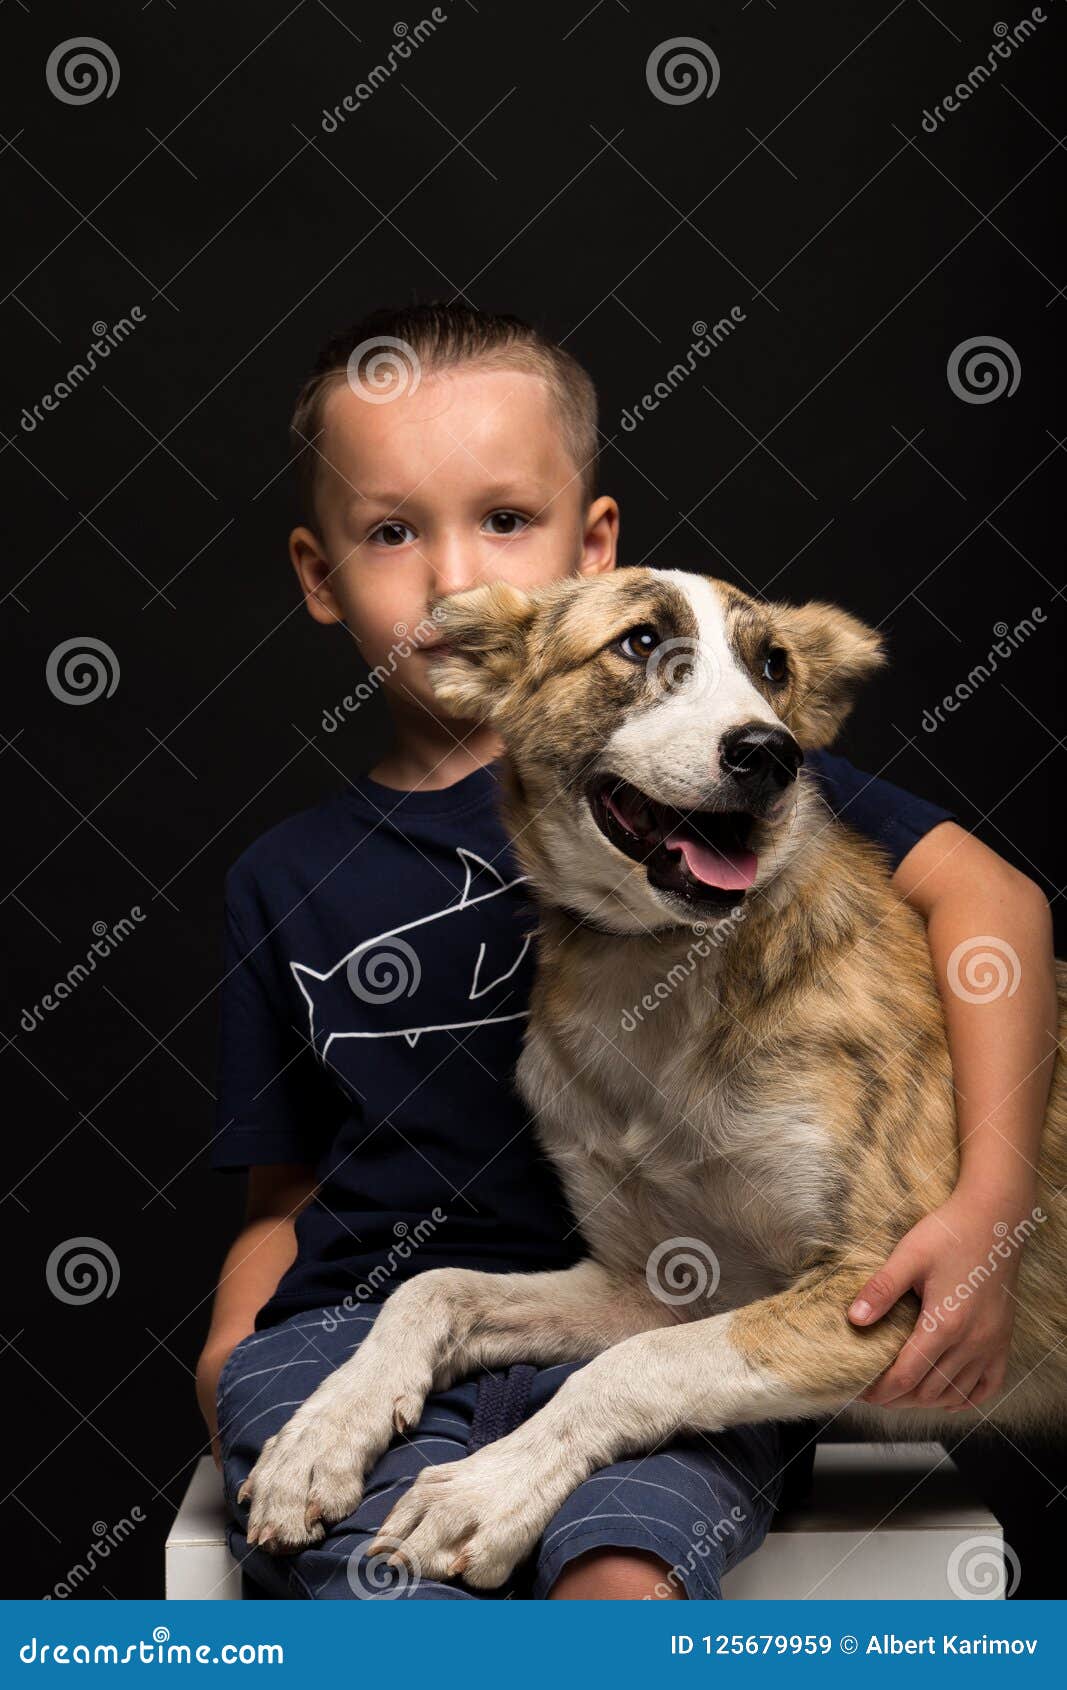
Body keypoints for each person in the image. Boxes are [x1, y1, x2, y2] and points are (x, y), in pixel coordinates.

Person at [195, 302, 1057, 1601]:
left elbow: (992, 900)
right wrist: (232, 1352)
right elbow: (285, 1193)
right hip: (407, 1320)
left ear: (592, 543)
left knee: (619, 1570)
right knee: (379, 1590)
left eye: (505, 518)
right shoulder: (297, 873)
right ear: (320, 574)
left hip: (690, 1330)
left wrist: (992, 1207)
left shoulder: (755, 794)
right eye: (393, 531)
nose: (458, 580)